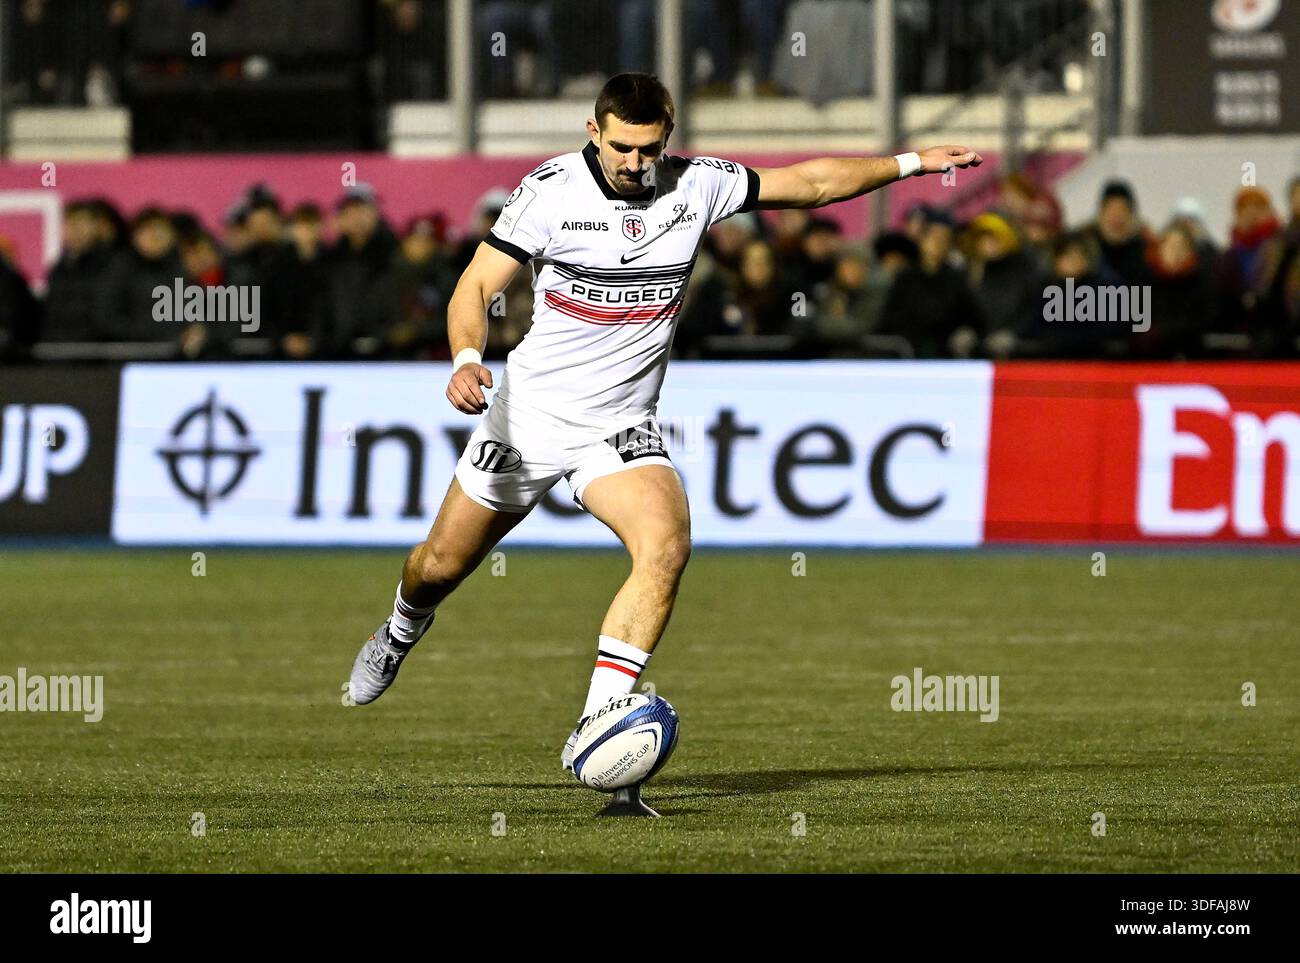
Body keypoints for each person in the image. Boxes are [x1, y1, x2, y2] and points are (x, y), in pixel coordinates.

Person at [343, 72, 981, 777]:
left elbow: (813, 183)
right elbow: (475, 286)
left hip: (620, 425)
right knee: (439, 566)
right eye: (621, 147)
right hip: (527, 417)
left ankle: (598, 723)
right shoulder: (550, 192)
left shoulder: (697, 185)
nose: (635, 164)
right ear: (595, 132)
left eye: (649, 149)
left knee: (667, 544)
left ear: (668, 139)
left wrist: (913, 162)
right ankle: (398, 634)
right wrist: (467, 356)